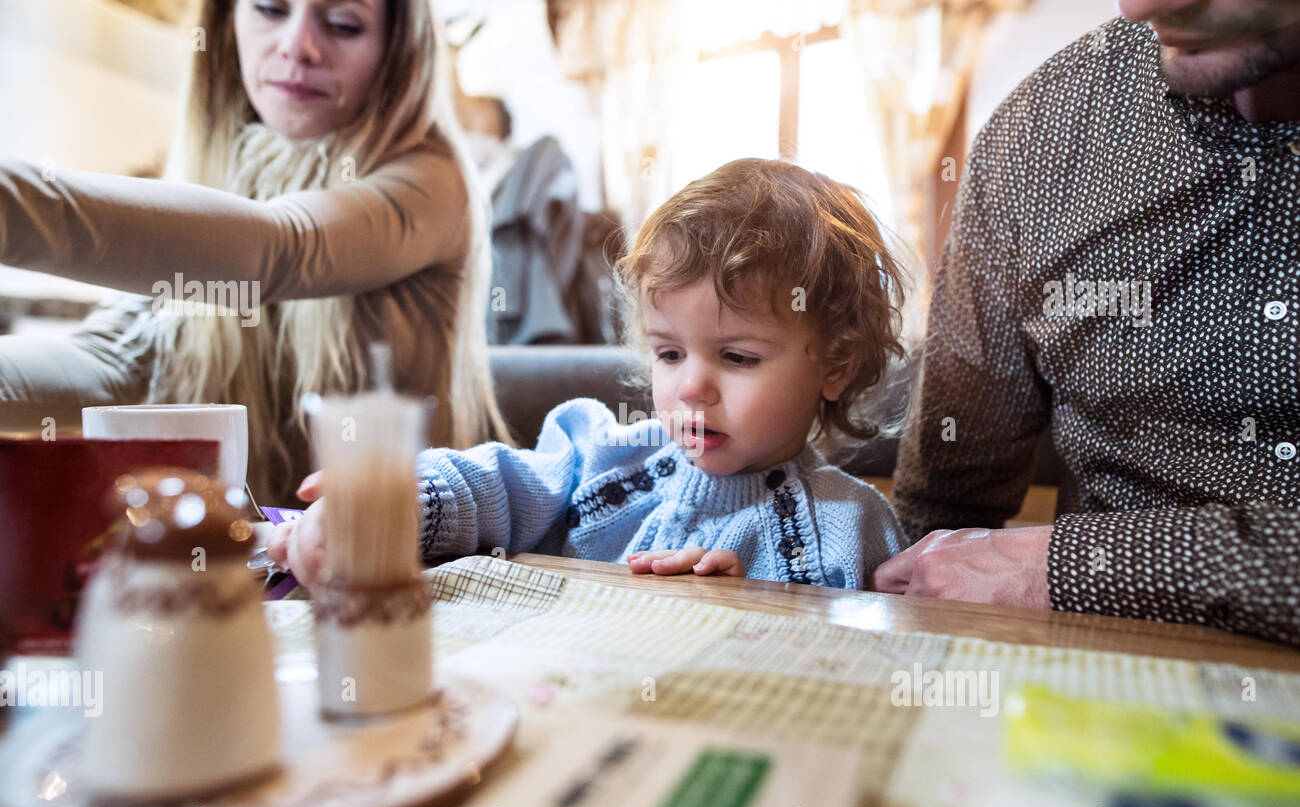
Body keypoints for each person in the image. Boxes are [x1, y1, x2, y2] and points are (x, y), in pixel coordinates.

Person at [269, 158, 910, 588]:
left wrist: (757, 608)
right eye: (669, 353)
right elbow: (503, 484)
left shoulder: (855, 527)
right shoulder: (604, 459)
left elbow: (860, 675)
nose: (690, 388)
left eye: (738, 357)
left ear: (836, 365)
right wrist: (396, 500)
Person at [873, 2, 1300, 644]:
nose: (1141, 5)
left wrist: (1083, 566)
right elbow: (944, 503)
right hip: (1081, 686)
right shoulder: (1038, 133)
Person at [0, 0, 508, 503]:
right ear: (227, 23)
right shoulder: (211, 173)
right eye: (269, 9)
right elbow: (112, 362)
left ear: (396, 47)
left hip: (406, 566)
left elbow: (279, 248)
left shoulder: (433, 183)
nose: (298, 46)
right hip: (250, 572)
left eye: (342, 24)